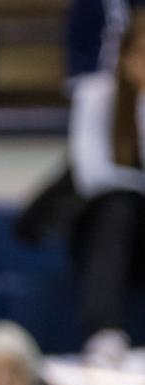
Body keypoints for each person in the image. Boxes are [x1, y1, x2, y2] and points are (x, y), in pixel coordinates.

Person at [69, 22, 145, 365]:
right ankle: (104, 333)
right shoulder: (94, 96)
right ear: (124, 57)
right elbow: (93, 177)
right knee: (119, 206)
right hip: (101, 230)